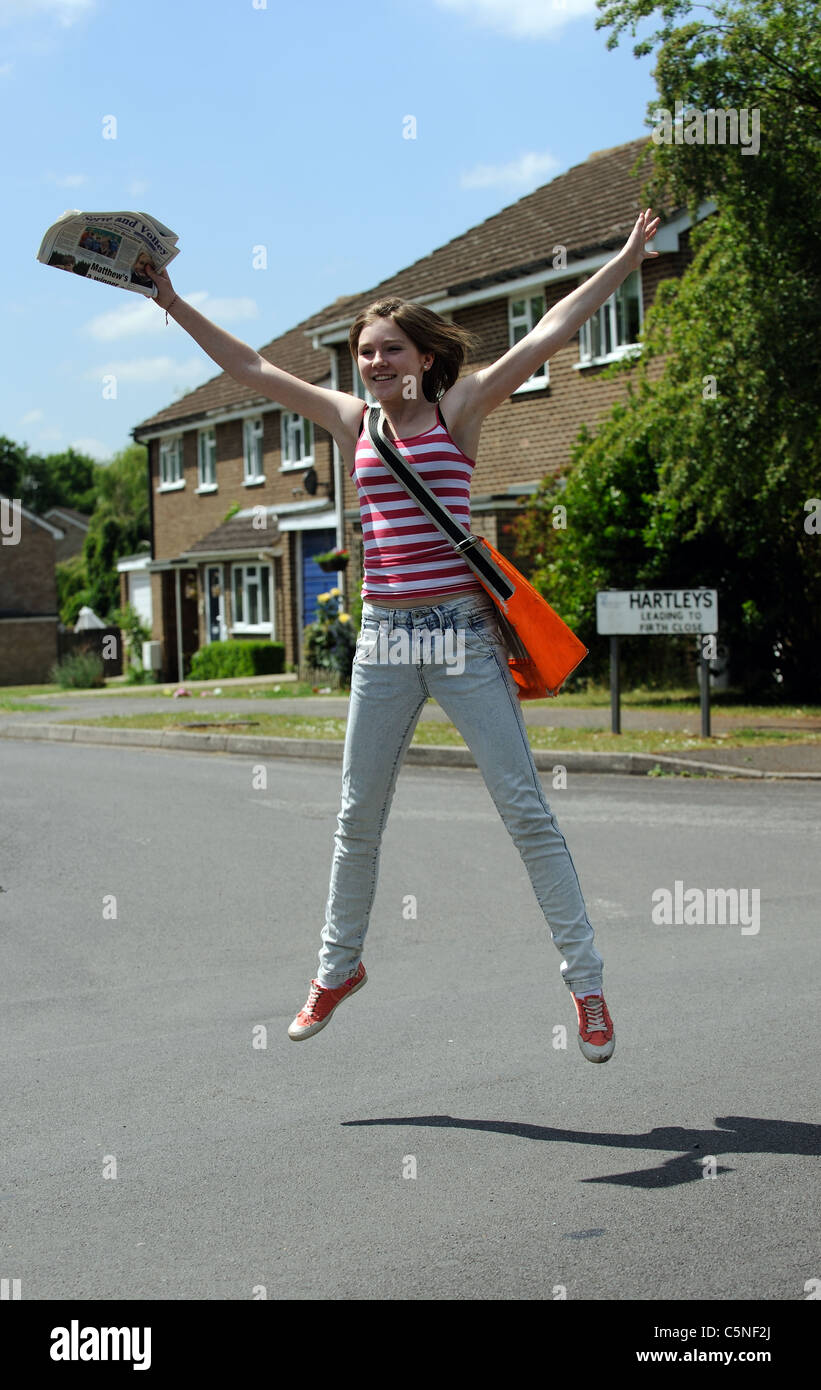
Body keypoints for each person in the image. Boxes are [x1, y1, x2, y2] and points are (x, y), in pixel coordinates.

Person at [145, 207, 659, 1064]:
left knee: (524, 810)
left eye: (388, 349)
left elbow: (552, 329)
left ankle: (588, 984)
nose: (373, 362)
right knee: (357, 815)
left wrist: (627, 258)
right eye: (363, 352)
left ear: (423, 357)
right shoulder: (353, 423)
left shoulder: (460, 408)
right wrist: (174, 299)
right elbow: (252, 365)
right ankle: (336, 968)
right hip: (383, 639)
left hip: (459, 638)